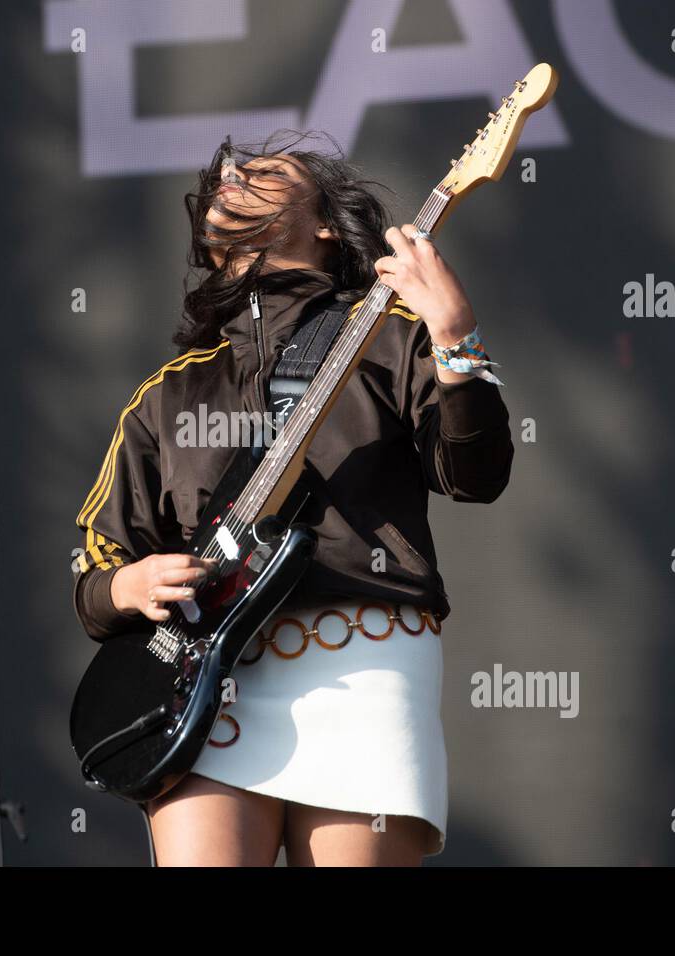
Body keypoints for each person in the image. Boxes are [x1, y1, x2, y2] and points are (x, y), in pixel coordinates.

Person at [71, 130, 514, 866]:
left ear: (326, 225)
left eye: (268, 171)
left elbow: (475, 476)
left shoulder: (390, 338)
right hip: (205, 680)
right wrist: (128, 584)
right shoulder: (168, 394)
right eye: (229, 173)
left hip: (361, 664)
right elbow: (97, 566)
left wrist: (456, 337)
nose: (236, 175)